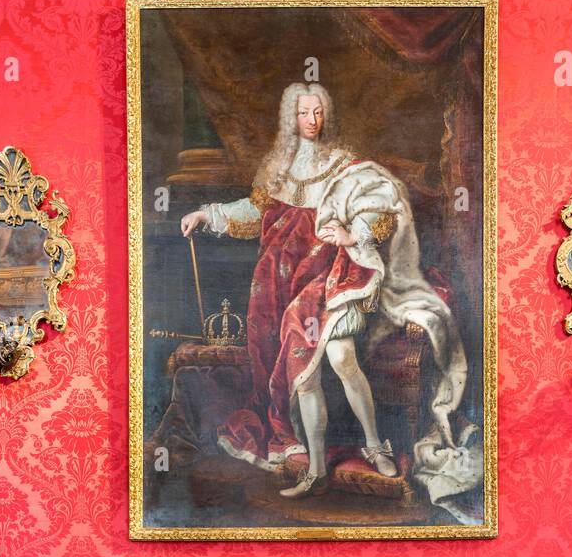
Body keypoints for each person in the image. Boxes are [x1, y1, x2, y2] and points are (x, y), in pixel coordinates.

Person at [181, 80, 469, 505]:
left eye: (318, 113)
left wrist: (352, 232)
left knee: (341, 355)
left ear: (326, 115)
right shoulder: (278, 169)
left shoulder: (344, 165)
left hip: (338, 277)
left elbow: (380, 207)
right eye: (303, 113)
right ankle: (316, 469)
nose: (312, 121)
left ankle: (374, 444)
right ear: (290, 118)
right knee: (307, 370)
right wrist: (207, 214)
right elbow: (254, 212)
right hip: (287, 285)